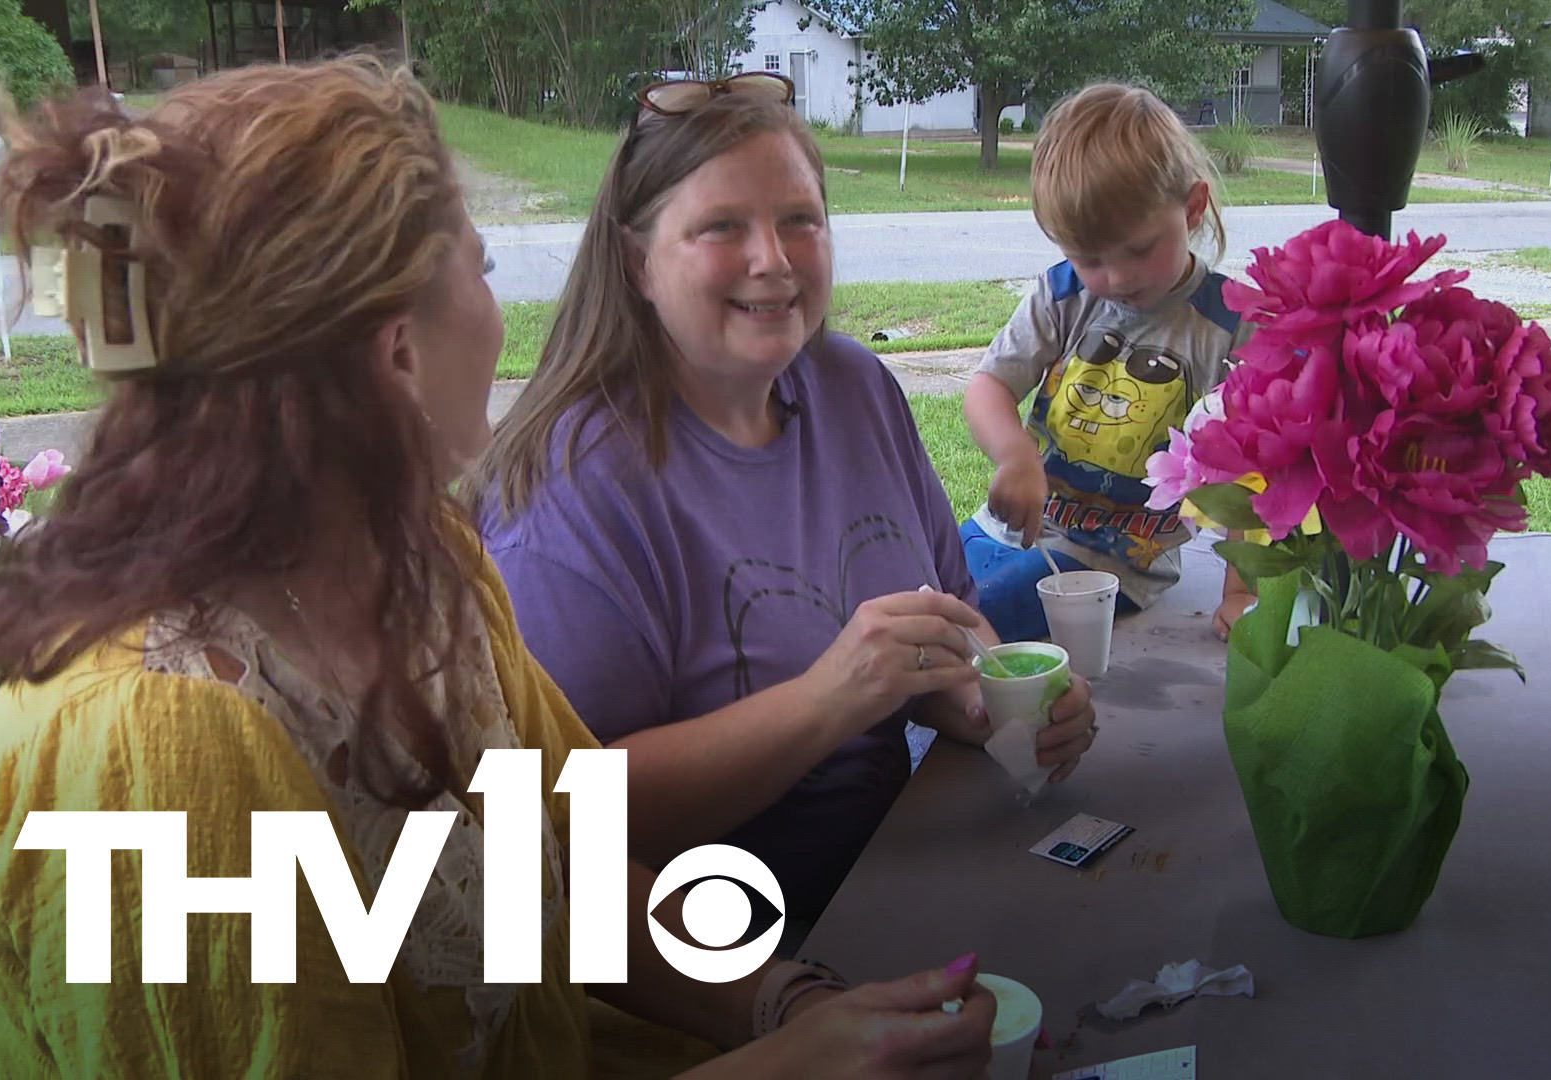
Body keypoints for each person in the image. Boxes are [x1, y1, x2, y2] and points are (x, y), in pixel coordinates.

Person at [0, 59, 998, 1079]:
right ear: (397, 353)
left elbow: (561, 866)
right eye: (484, 270)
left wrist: (783, 999)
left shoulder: (426, 562)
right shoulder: (152, 754)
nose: (504, 319)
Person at [468, 73, 1099, 941]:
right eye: (722, 226)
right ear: (635, 261)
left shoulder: (854, 387)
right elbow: (555, 825)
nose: (773, 258)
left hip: (893, 889)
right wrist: (826, 701)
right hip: (715, 979)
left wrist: (1003, 707)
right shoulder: (568, 489)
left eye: (799, 219)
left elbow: (944, 641)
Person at [959, 83, 1258, 643]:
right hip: (1011, 531)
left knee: (976, 623)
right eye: (1090, 257)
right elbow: (988, 386)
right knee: (915, 591)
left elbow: (1251, 471)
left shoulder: (1229, 323)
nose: (1117, 279)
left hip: (1114, 562)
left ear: (1193, 208)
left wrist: (1241, 591)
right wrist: (1014, 456)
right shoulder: (1064, 295)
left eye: (1140, 249)